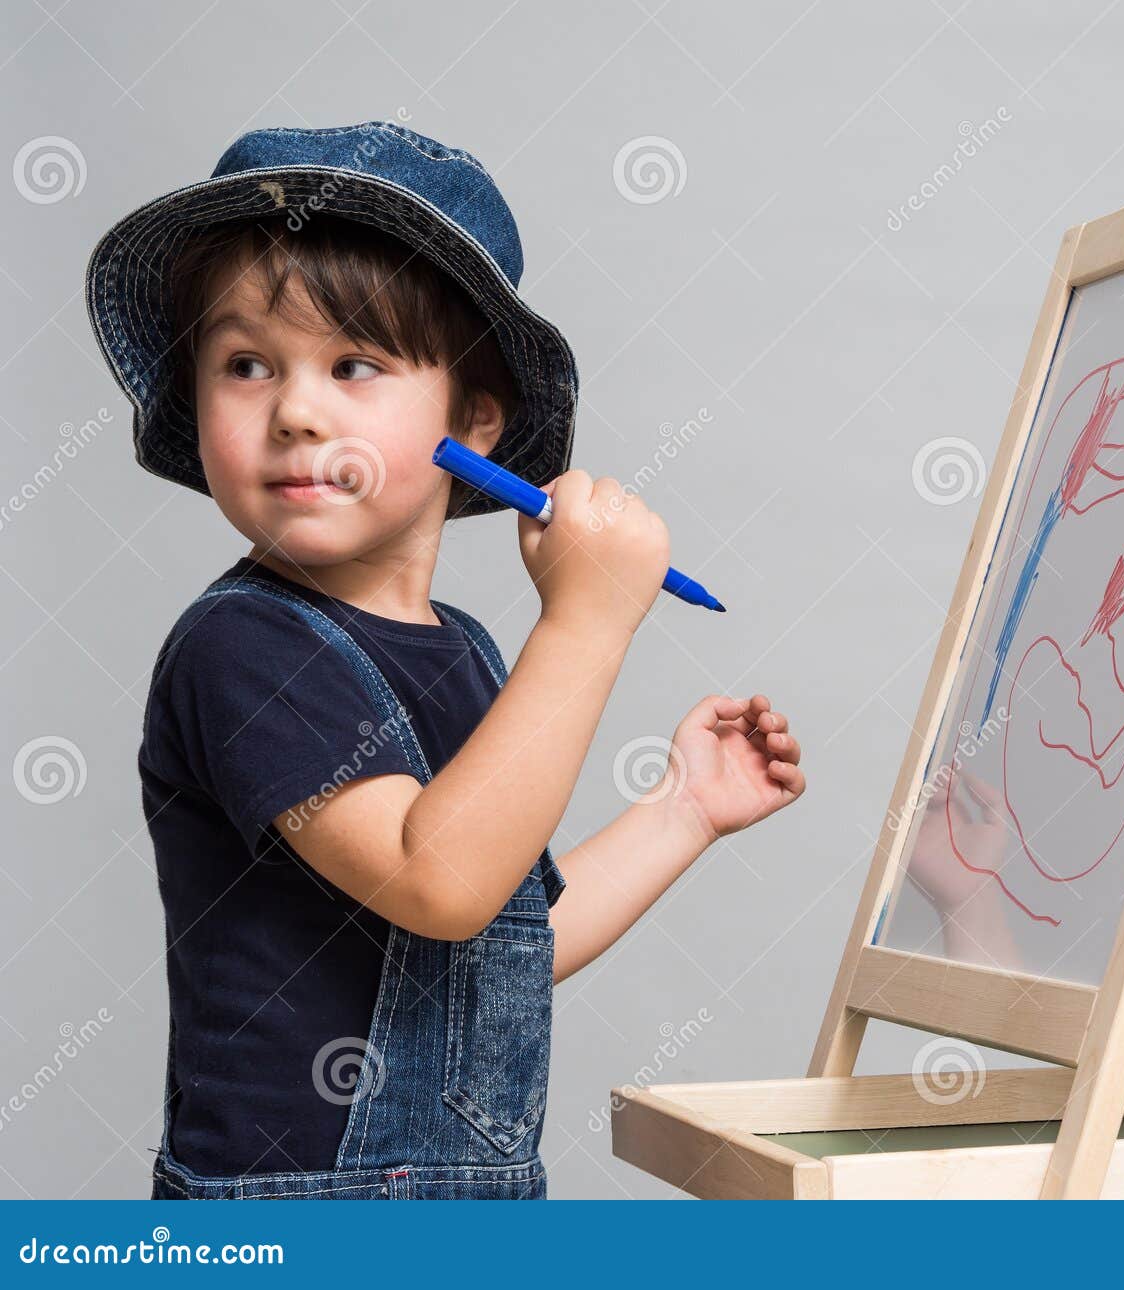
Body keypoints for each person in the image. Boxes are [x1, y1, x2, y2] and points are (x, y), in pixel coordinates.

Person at [84, 120, 805, 1199]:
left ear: (471, 420)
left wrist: (682, 811)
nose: (294, 411)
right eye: (245, 365)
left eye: (354, 364)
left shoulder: (461, 649)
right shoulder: (241, 649)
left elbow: (499, 949)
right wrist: (585, 624)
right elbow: (440, 881)